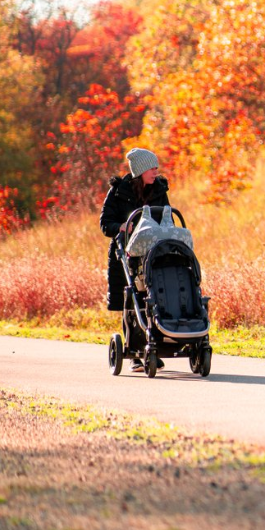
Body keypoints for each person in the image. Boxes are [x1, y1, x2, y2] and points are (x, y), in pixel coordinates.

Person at [100, 148, 169, 372]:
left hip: (152, 251)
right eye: (152, 167)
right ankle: (134, 355)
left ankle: (152, 348)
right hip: (126, 253)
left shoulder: (159, 189)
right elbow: (105, 223)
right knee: (131, 301)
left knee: (153, 299)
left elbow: (167, 216)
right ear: (140, 170)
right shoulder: (118, 191)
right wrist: (120, 226)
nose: (156, 171)